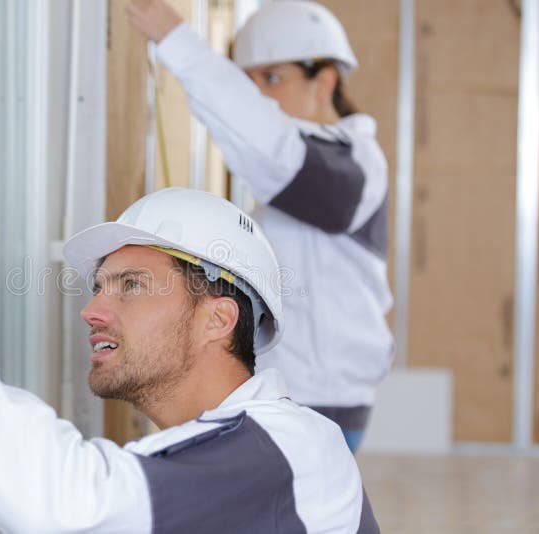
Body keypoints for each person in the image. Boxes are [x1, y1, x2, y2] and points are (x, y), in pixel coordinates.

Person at [0, 186, 379, 532]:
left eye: (130, 285)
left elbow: (73, 506)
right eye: (100, 287)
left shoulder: (291, 449)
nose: (93, 311)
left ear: (217, 319)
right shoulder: (186, 462)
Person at [127, 0, 394, 452]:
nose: (259, 95)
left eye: (272, 78)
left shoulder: (352, 165)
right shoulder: (301, 167)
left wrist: (179, 42)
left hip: (322, 400)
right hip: (294, 392)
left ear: (324, 80)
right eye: (248, 81)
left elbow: (274, 147)